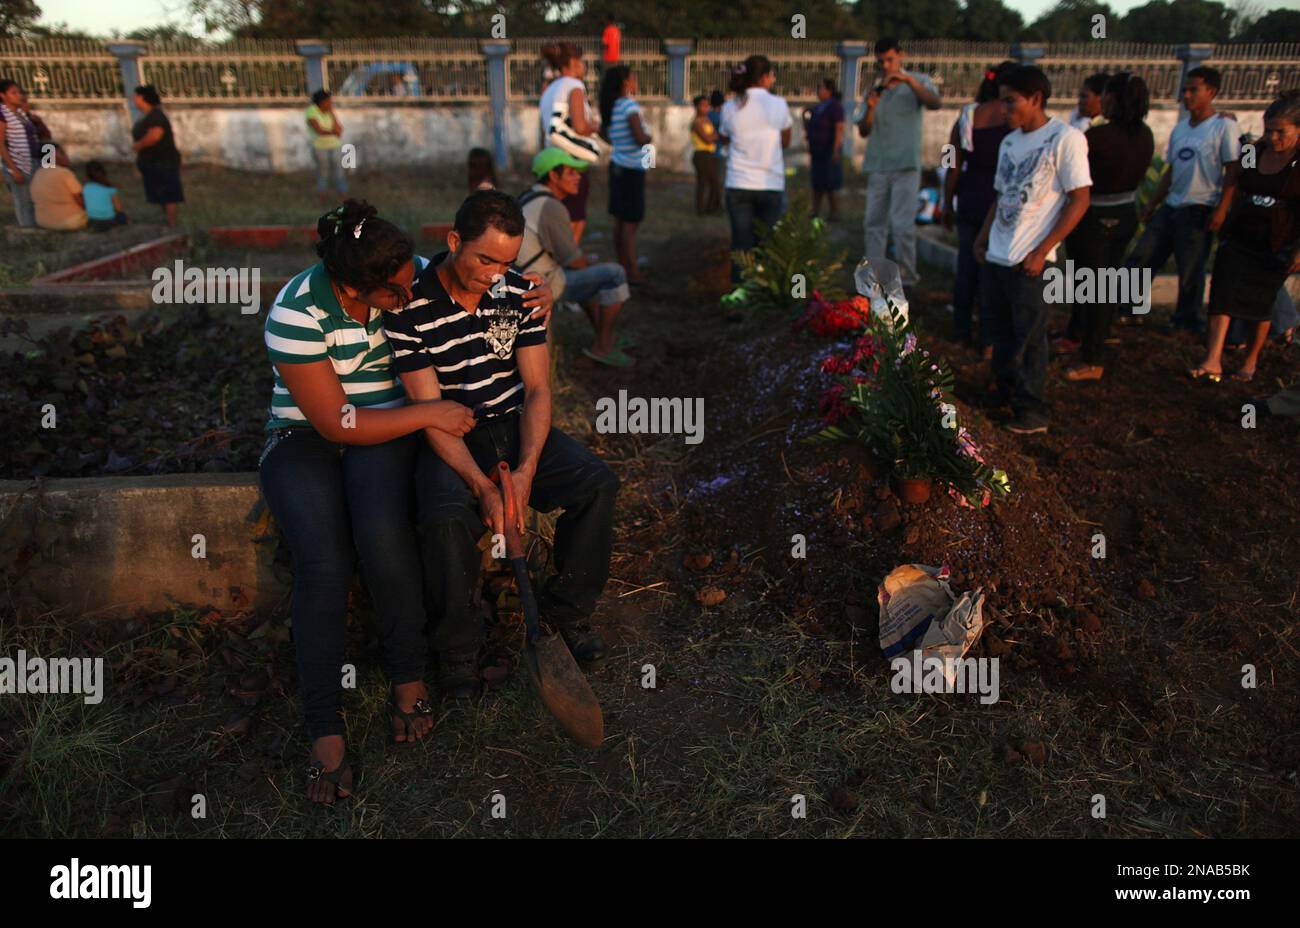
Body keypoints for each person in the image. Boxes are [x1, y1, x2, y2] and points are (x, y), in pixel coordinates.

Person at [260, 200, 553, 802]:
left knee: (382, 534)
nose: (408, 295)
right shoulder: (295, 312)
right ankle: (324, 726)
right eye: (392, 294)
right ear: (350, 285)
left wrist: (535, 294)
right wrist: (430, 412)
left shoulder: (408, 271)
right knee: (323, 566)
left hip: (389, 432)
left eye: (407, 281)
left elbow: (482, 279)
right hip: (309, 436)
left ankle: (408, 675)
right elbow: (338, 422)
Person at [383, 190, 620, 701]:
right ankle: (458, 649)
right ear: (453, 241)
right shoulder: (409, 309)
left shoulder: (518, 293)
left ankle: (565, 613)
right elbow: (429, 414)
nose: (495, 273)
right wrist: (484, 488)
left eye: (506, 262)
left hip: (515, 423)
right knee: (445, 520)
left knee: (596, 484)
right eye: (484, 258)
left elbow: (537, 390)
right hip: (452, 434)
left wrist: (527, 469)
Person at [974, 65, 1091, 435]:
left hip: (1032, 262)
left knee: (1030, 337)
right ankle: (1004, 392)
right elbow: (1001, 194)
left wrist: (1042, 251)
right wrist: (983, 235)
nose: (1004, 110)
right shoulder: (1010, 142)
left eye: (1011, 102)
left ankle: (1033, 410)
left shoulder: (1065, 139)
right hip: (998, 255)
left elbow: (1079, 200)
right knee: (1000, 333)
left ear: (1036, 99)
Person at [1190, 91, 1300, 383]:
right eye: (1269, 130)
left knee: (1261, 302)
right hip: (1242, 230)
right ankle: (1213, 358)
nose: (1273, 138)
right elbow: (1235, 178)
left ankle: (1250, 361)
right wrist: (1223, 209)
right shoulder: (1255, 150)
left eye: (1281, 132)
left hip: (1277, 237)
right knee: (1222, 292)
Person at [1125, 67, 1238, 334]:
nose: (1186, 95)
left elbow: (1234, 168)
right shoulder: (1180, 130)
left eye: (1193, 90)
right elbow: (1171, 170)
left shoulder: (1225, 126)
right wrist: (1153, 204)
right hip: (1172, 206)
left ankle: (1187, 320)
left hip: (1200, 207)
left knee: (1190, 269)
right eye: (1184, 90)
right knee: (1142, 257)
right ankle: (1127, 308)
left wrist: (1222, 208)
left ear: (1211, 92)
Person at [1062, 73, 1154, 383]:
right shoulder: (1146, 134)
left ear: (1113, 99)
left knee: (1093, 287)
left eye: (1106, 95)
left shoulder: (1099, 137)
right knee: (1105, 283)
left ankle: (1092, 357)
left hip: (1094, 216)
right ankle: (1087, 335)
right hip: (1126, 212)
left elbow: (1072, 176)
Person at [518, 147, 633, 367]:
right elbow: (572, 260)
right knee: (615, 274)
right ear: (553, 175)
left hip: (525, 278)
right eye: (571, 172)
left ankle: (604, 338)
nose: (578, 177)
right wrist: (589, 262)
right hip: (543, 284)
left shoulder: (528, 196)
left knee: (588, 277)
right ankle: (604, 346)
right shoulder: (552, 206)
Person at [858, 37, 942, 288]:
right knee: (873, 223)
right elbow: (863, 130)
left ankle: (907, 275)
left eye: (890, 59)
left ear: (901, 56)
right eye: (881, 61)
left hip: (906, 164)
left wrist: (908, 80)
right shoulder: (873, 89)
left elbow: (935, 103)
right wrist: (871, 107)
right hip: (878, 163)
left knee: (902, 224)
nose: (886, 65)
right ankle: (874, 275)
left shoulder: (918, 82)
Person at [943, 61, 1016, 349]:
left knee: (966, 269)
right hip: (1000, 205)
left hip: (970, 200)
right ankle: (989, 339)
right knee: (992, 275)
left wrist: (947, 202)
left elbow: (951, 163)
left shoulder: (967, 117)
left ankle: (961, 332)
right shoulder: (1015, 119)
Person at [718, 55, 792, 287]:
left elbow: (724, 137)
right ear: (763, 77)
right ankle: (765, 294)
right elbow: (786, 141)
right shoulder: (779, 104)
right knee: (767, 244)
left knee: (741, 245)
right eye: (771, 75)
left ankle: (739, 298)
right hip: (770, 183)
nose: (773, 79)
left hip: (738, 183)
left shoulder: (730, 107)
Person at [539, 43, 599, 244]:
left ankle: (557, 259)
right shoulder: (574, 86)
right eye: (582, 61)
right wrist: (596, 126)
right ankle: (569, 262)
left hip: (552, 159)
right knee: (575, 216)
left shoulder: (550, 89)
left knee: (557, 213)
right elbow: (581, 127)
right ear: (573, 62)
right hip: (572, 161)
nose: (584, 66)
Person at [600, 64, 651, 284]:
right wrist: (649, 138)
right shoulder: (629, 105)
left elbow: (604, 132)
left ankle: (622, 267)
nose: (636, 81)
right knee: (631, 223)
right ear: (625, 83)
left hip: (617, 165)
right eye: (634, 77)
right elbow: (640, 138)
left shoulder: (611, 106)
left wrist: (618, 144)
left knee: (620, 221)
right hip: (631, 170)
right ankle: (633, 273)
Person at [131, 85, 183, 227]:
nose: (133, 99)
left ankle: (172, 223)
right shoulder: (146, 116)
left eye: (135, 96)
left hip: (163, 160)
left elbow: (155, 135)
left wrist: (138, 146)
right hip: (152, 161)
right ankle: (166, 220)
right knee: (159, 192)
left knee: (168, 193)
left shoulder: (156, 116)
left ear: (142, 98)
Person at [804, 78, 845, 221]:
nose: (818, 91)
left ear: (829, 90)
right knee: (817, 182)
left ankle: (834, 212)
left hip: (829, 150)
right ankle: (815, 210)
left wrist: (835, 149)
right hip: (817, 150)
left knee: (830, 183)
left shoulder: (834, 107)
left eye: (821, 88)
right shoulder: (819, 107)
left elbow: (839, 128)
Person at [0, 79, 38, 227]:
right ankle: (27, 230)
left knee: (35, 196)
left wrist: (49, 165)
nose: (18, 96)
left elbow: (40, 138)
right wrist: (14, 170)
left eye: (19, 92)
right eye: (13, 93)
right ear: (3, 95)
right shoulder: (2, 114)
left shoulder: (22, 113)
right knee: (23, 200)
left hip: (34, 161)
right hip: (17, 164)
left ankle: (38, 225)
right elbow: (1, 144)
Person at [30, 144, 86, 231]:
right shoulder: (64, 173)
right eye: (62, 153)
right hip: (70, 221)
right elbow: (80, 200)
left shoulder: (38, 173)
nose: (66, 156)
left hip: (42, 222)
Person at [304, 89, 346, 205]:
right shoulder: (311, 112)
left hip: (335, 145)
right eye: (328, 101)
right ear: (321, 102)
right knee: (323, 172)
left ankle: (343, 197)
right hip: (320, 147)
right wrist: (334, 132)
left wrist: (332, 114)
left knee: (339, 171)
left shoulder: (329, 111)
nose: (330, 103)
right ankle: (321, 197)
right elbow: (319, 131)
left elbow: (339, 128)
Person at [690, 94, 722, 215]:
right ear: (697, 107)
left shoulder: (707, 120)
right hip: (701, 155)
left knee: (713, 182)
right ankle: (701, 209)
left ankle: (709, 207)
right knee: (704, 182)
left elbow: (714, 135)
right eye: (703, 105)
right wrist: (713, 136)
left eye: (707, 105)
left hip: (710, 154)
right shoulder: (697, 122)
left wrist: (713, 136)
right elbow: (708, 138)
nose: (706, 108)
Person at [83, 161, 128, 230]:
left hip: (92, 222)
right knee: (122, 215)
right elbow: (119, 208)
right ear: (103, 172)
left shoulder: (85, 188)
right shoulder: (110, 188)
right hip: (109, 221)